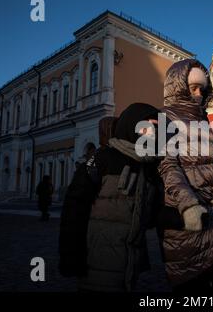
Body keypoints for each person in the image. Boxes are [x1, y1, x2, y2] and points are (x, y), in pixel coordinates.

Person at [59, 103, 164, 292]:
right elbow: (74, 207)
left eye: (156, 127)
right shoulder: (101, 158)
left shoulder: (150, 166)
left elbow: (151, 217)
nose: (152, 132)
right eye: (147, 126)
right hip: (96, 261)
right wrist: (70, 254)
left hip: (130, 266)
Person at [158, 59, 213, 292]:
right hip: (187, 217)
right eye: (193, 88)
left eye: (202, 88)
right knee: (191, 282)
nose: (199, 94)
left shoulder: (202, 118)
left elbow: (212, 161)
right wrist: (188, 204)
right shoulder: (166, 118)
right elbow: (167, 166)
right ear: (178, 86)